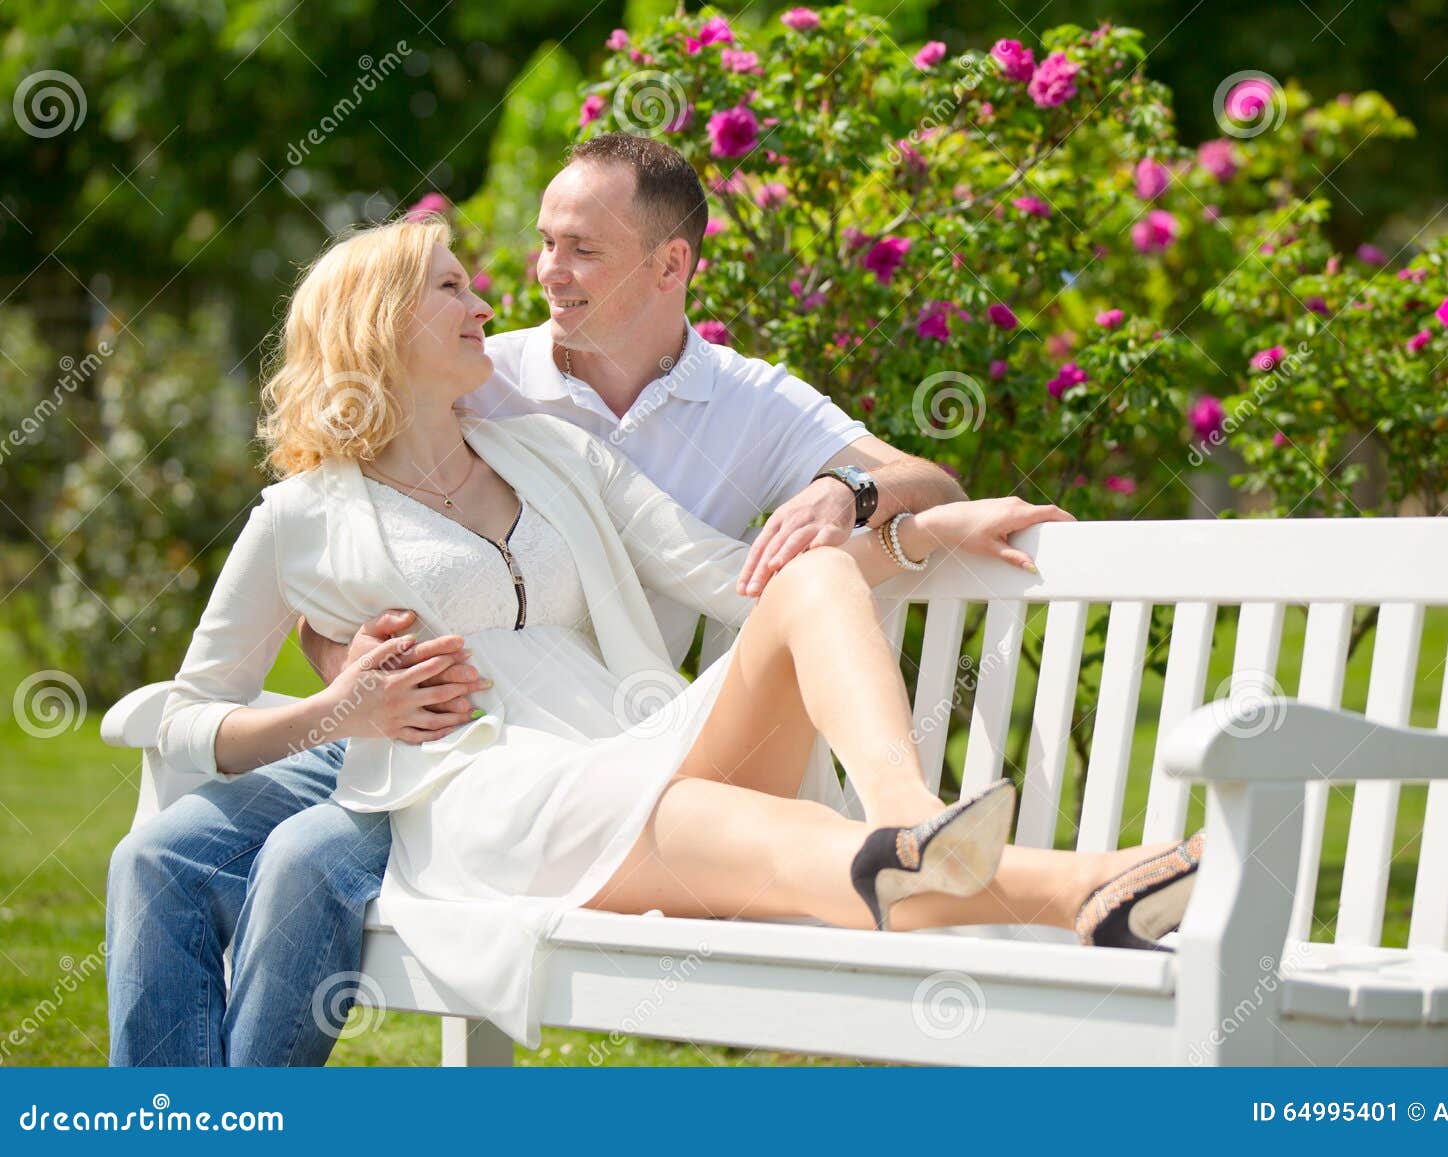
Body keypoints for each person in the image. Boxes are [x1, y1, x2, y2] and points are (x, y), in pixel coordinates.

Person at [139, 212, 1206, 1050]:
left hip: (621, 740)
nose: (485, 301)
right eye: (452, 285)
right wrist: (333, 709)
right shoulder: (302, 517)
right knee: (728, 823)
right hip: (486, 796)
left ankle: (911, 815)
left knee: (812, 572)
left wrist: (922, 530)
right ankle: (1068, 881)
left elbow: (733, 580)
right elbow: (183, 710)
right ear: (379, 323)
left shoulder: (550, 455)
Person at [105, 134, 969, 1067]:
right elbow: (302, 601)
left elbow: (775, 555)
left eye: (580, 248)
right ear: (387, 327)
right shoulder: (469, 390)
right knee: (154, 856)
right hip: (378, 743)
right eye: (527, 251)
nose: (520, 288)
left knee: (304, 860)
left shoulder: (602, 427)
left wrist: (889, 518)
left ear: (670, 263)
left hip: (539, 753)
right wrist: (337, 690)